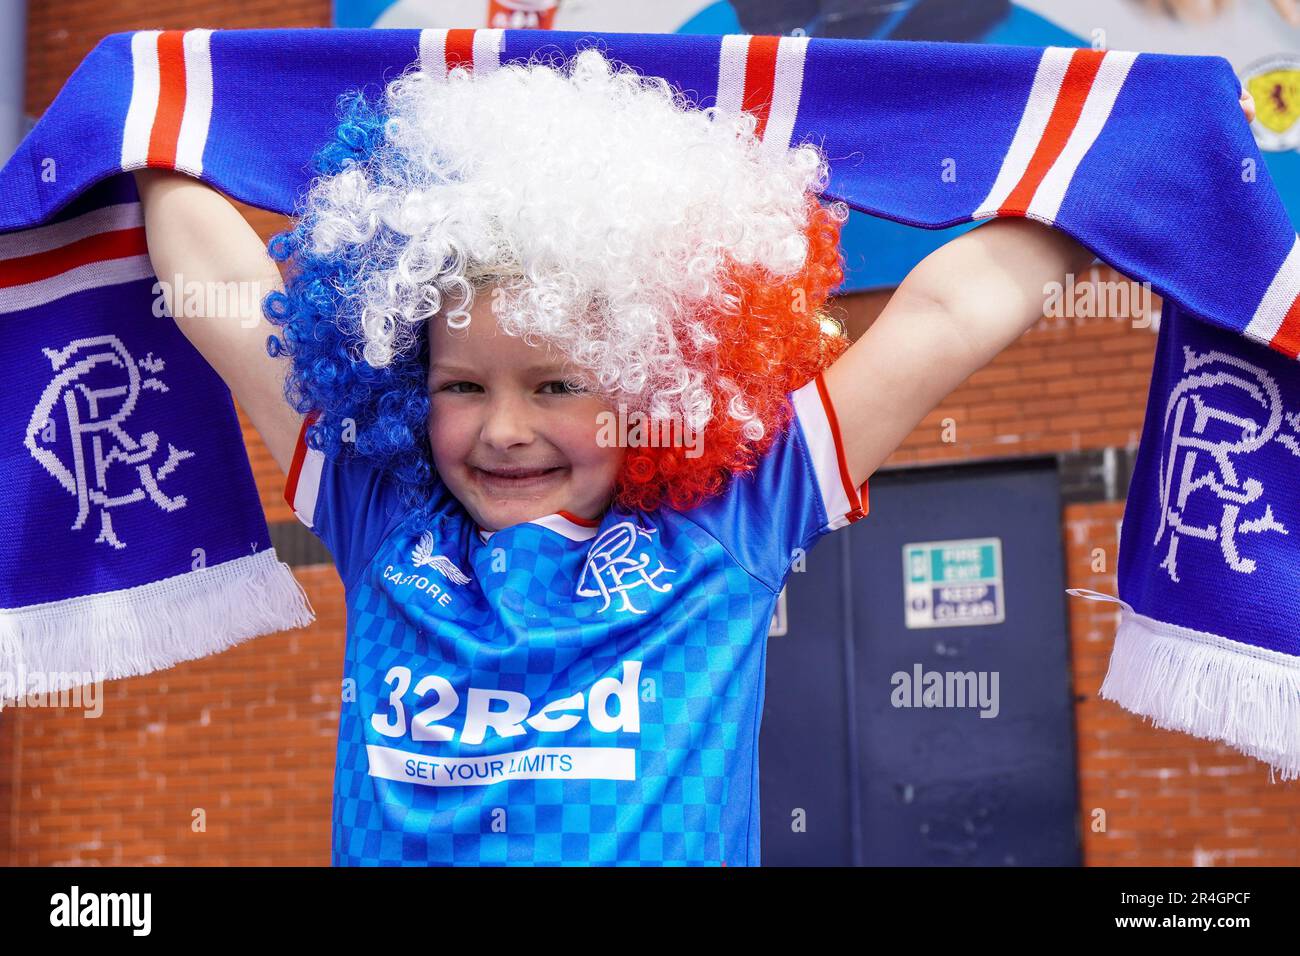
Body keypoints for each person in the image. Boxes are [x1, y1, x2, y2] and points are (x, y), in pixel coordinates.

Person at [131, 48, 1251, 866]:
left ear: (657, 383)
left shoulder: (731, 519)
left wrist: (1118, 163)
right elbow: (221, 296)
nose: (504, 426)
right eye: (461, 385)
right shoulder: (384, 515)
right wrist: (141, 120)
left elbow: (944, 314)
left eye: (558, 382)